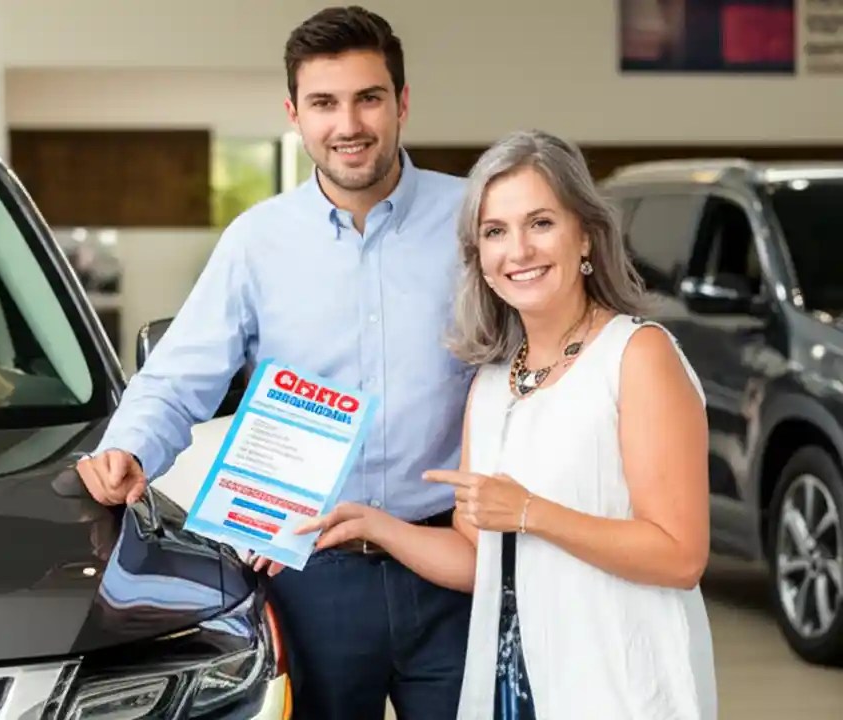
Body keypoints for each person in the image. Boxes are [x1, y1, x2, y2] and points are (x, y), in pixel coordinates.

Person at [76, 5, 474, 718]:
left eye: (368, 98)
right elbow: (177, 377)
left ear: (402, 103)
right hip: (309, 574)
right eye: (324, 102)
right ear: (294, 112)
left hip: (455, 568)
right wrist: (127, 449)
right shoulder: (256, 241)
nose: (347, 124)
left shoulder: (474, 223)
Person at [298, 129, 719, 719]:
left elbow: (679, 556)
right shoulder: (493, 381)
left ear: (586, 237)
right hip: (515, 681)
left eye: (540, 223)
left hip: (617, 681)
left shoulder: (638, 356)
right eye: (495, 232)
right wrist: (378, 526)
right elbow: (480, 560)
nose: (517, 251)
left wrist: (530, 513)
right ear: (479, 260)